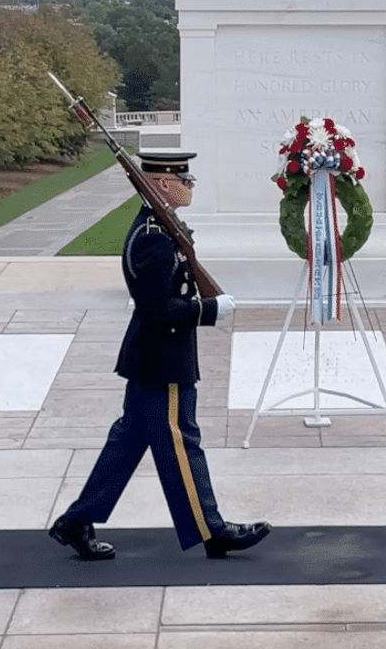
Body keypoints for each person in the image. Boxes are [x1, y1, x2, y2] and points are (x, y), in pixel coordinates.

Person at [49, 148, 271, 561]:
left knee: (128, 441)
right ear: (163, 184)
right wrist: (208, 309)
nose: (190, 186)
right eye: (184, 180)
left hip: (154, 357)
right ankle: (212, 530)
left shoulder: (160, 227)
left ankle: (76, 521)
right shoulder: (153, 237)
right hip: (162, 359)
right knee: (182, 444)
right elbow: (156, 311)